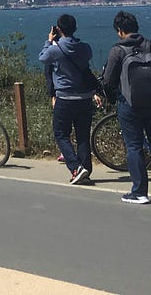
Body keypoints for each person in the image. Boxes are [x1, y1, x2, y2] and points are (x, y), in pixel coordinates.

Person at [101, 10, 151, 204]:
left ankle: (139, 192)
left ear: (120, 31)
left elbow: (108, 81)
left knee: (134, 146)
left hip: (129, 105)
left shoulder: (118, 51)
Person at [39, 14, 103, 184]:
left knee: (60, 134)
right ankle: (85, 169)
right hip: (84, 98)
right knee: (83, 136)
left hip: (65, 98)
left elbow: (43, 58)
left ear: (58, 29)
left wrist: (49, 41)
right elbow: (87, 58)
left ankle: (76, 168)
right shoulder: (85, 48)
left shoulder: (55, 50)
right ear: (75, 28)